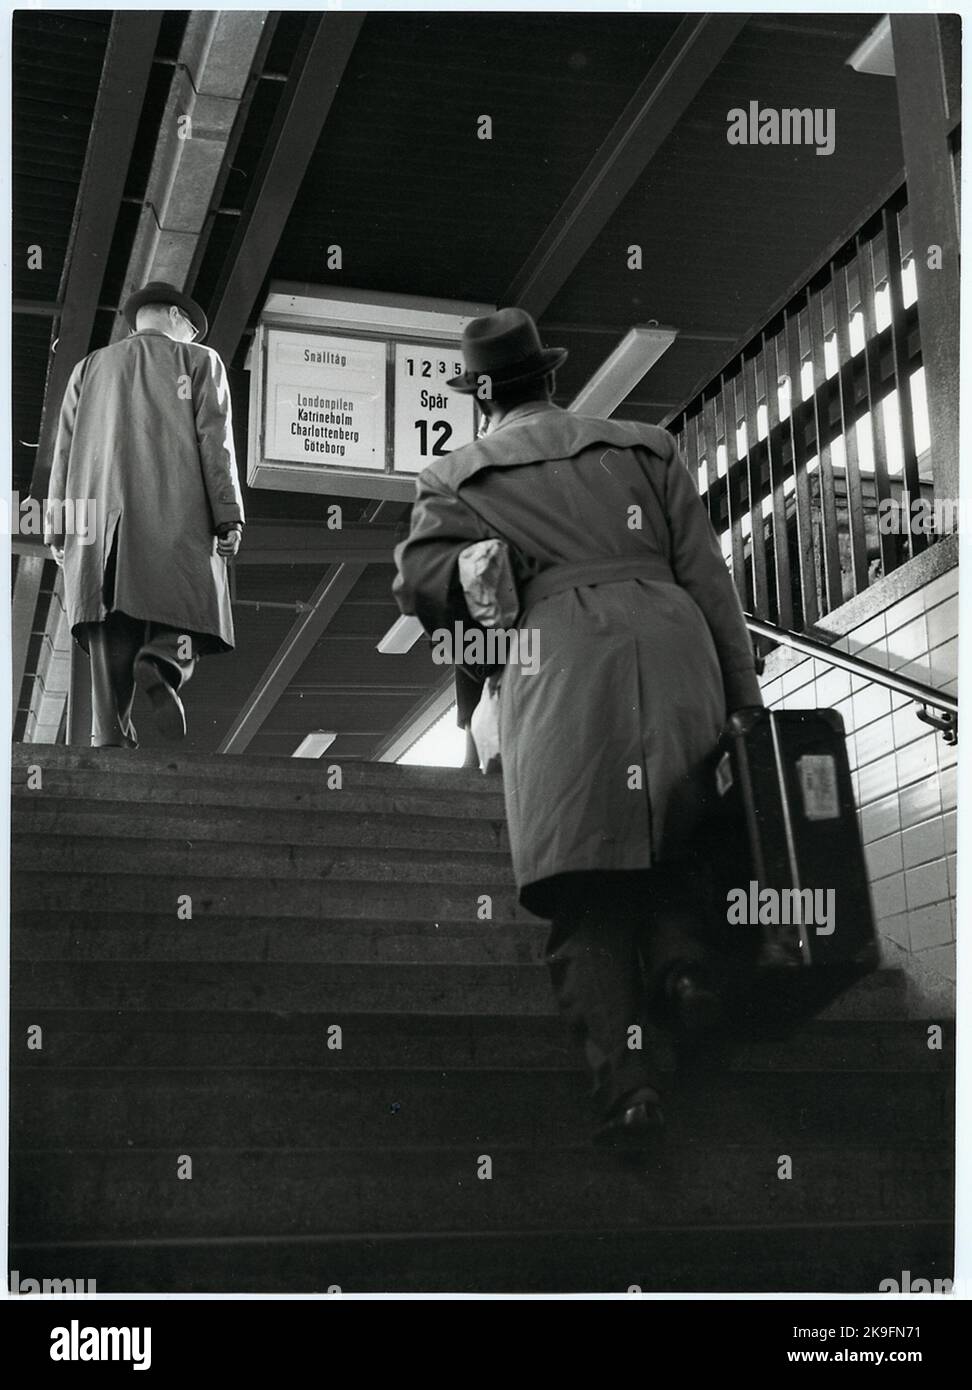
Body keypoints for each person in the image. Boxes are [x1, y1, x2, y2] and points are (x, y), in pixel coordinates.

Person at [393, 307, 763, 1146]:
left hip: (558, 664)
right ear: (552, 377)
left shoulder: (456, 474)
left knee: (587, 889)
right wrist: (742, 696)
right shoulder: (647, 447)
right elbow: (710, 580)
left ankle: (631, 1090)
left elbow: (420, 585)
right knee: (678, 835)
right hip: (675, 649)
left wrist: (479, 572)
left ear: (481, 396)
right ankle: (683, 970)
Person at [44, 280, 245, 747]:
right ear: (176, 317)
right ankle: (163, 661)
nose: (192, 337)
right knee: (190, 606)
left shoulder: (88, 367)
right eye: (191, 329)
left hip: (95, 521)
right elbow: (215, 442)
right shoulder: (199, 360)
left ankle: (109, 738)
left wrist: (57, 526)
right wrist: (228, 515)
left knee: (108, 623)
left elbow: (64, 450)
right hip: (175, 510)